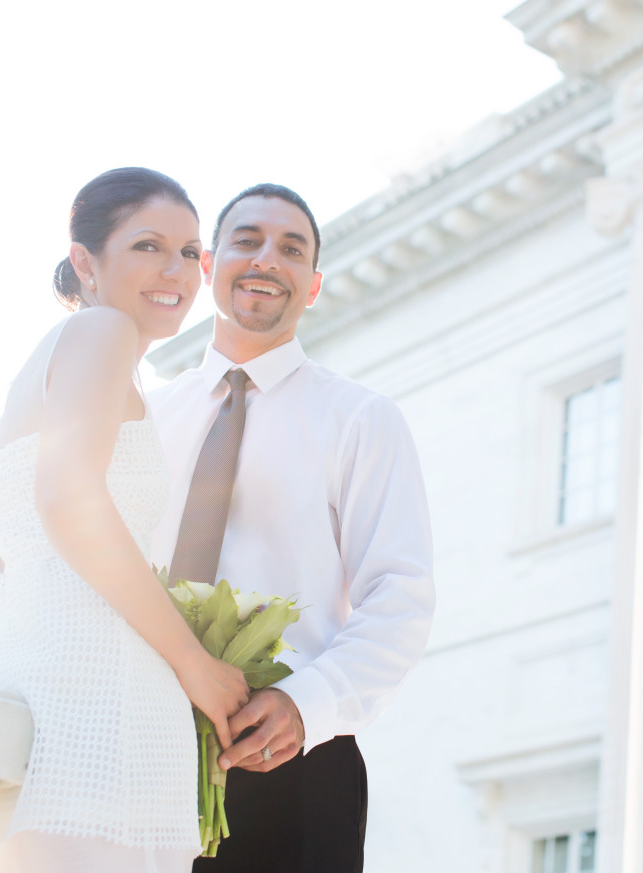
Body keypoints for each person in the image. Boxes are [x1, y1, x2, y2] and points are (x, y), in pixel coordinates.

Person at [0, 168, 249, 873]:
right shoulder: (102, 331)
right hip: (93, 710)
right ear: (85, 260)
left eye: (187, 251)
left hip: (20, 699)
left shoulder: (14, 398)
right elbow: (70, 501)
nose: (175, 270)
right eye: (148, 246)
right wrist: (197, 665)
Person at [149, 184, 435, 873]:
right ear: (210, 262)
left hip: (293, 763)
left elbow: (400, 596)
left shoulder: (362, 420)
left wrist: (305, 703)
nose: (267, 259)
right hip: (143, 748)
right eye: (248, 241)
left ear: (311, 287)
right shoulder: (144, 418)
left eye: (292, 248)